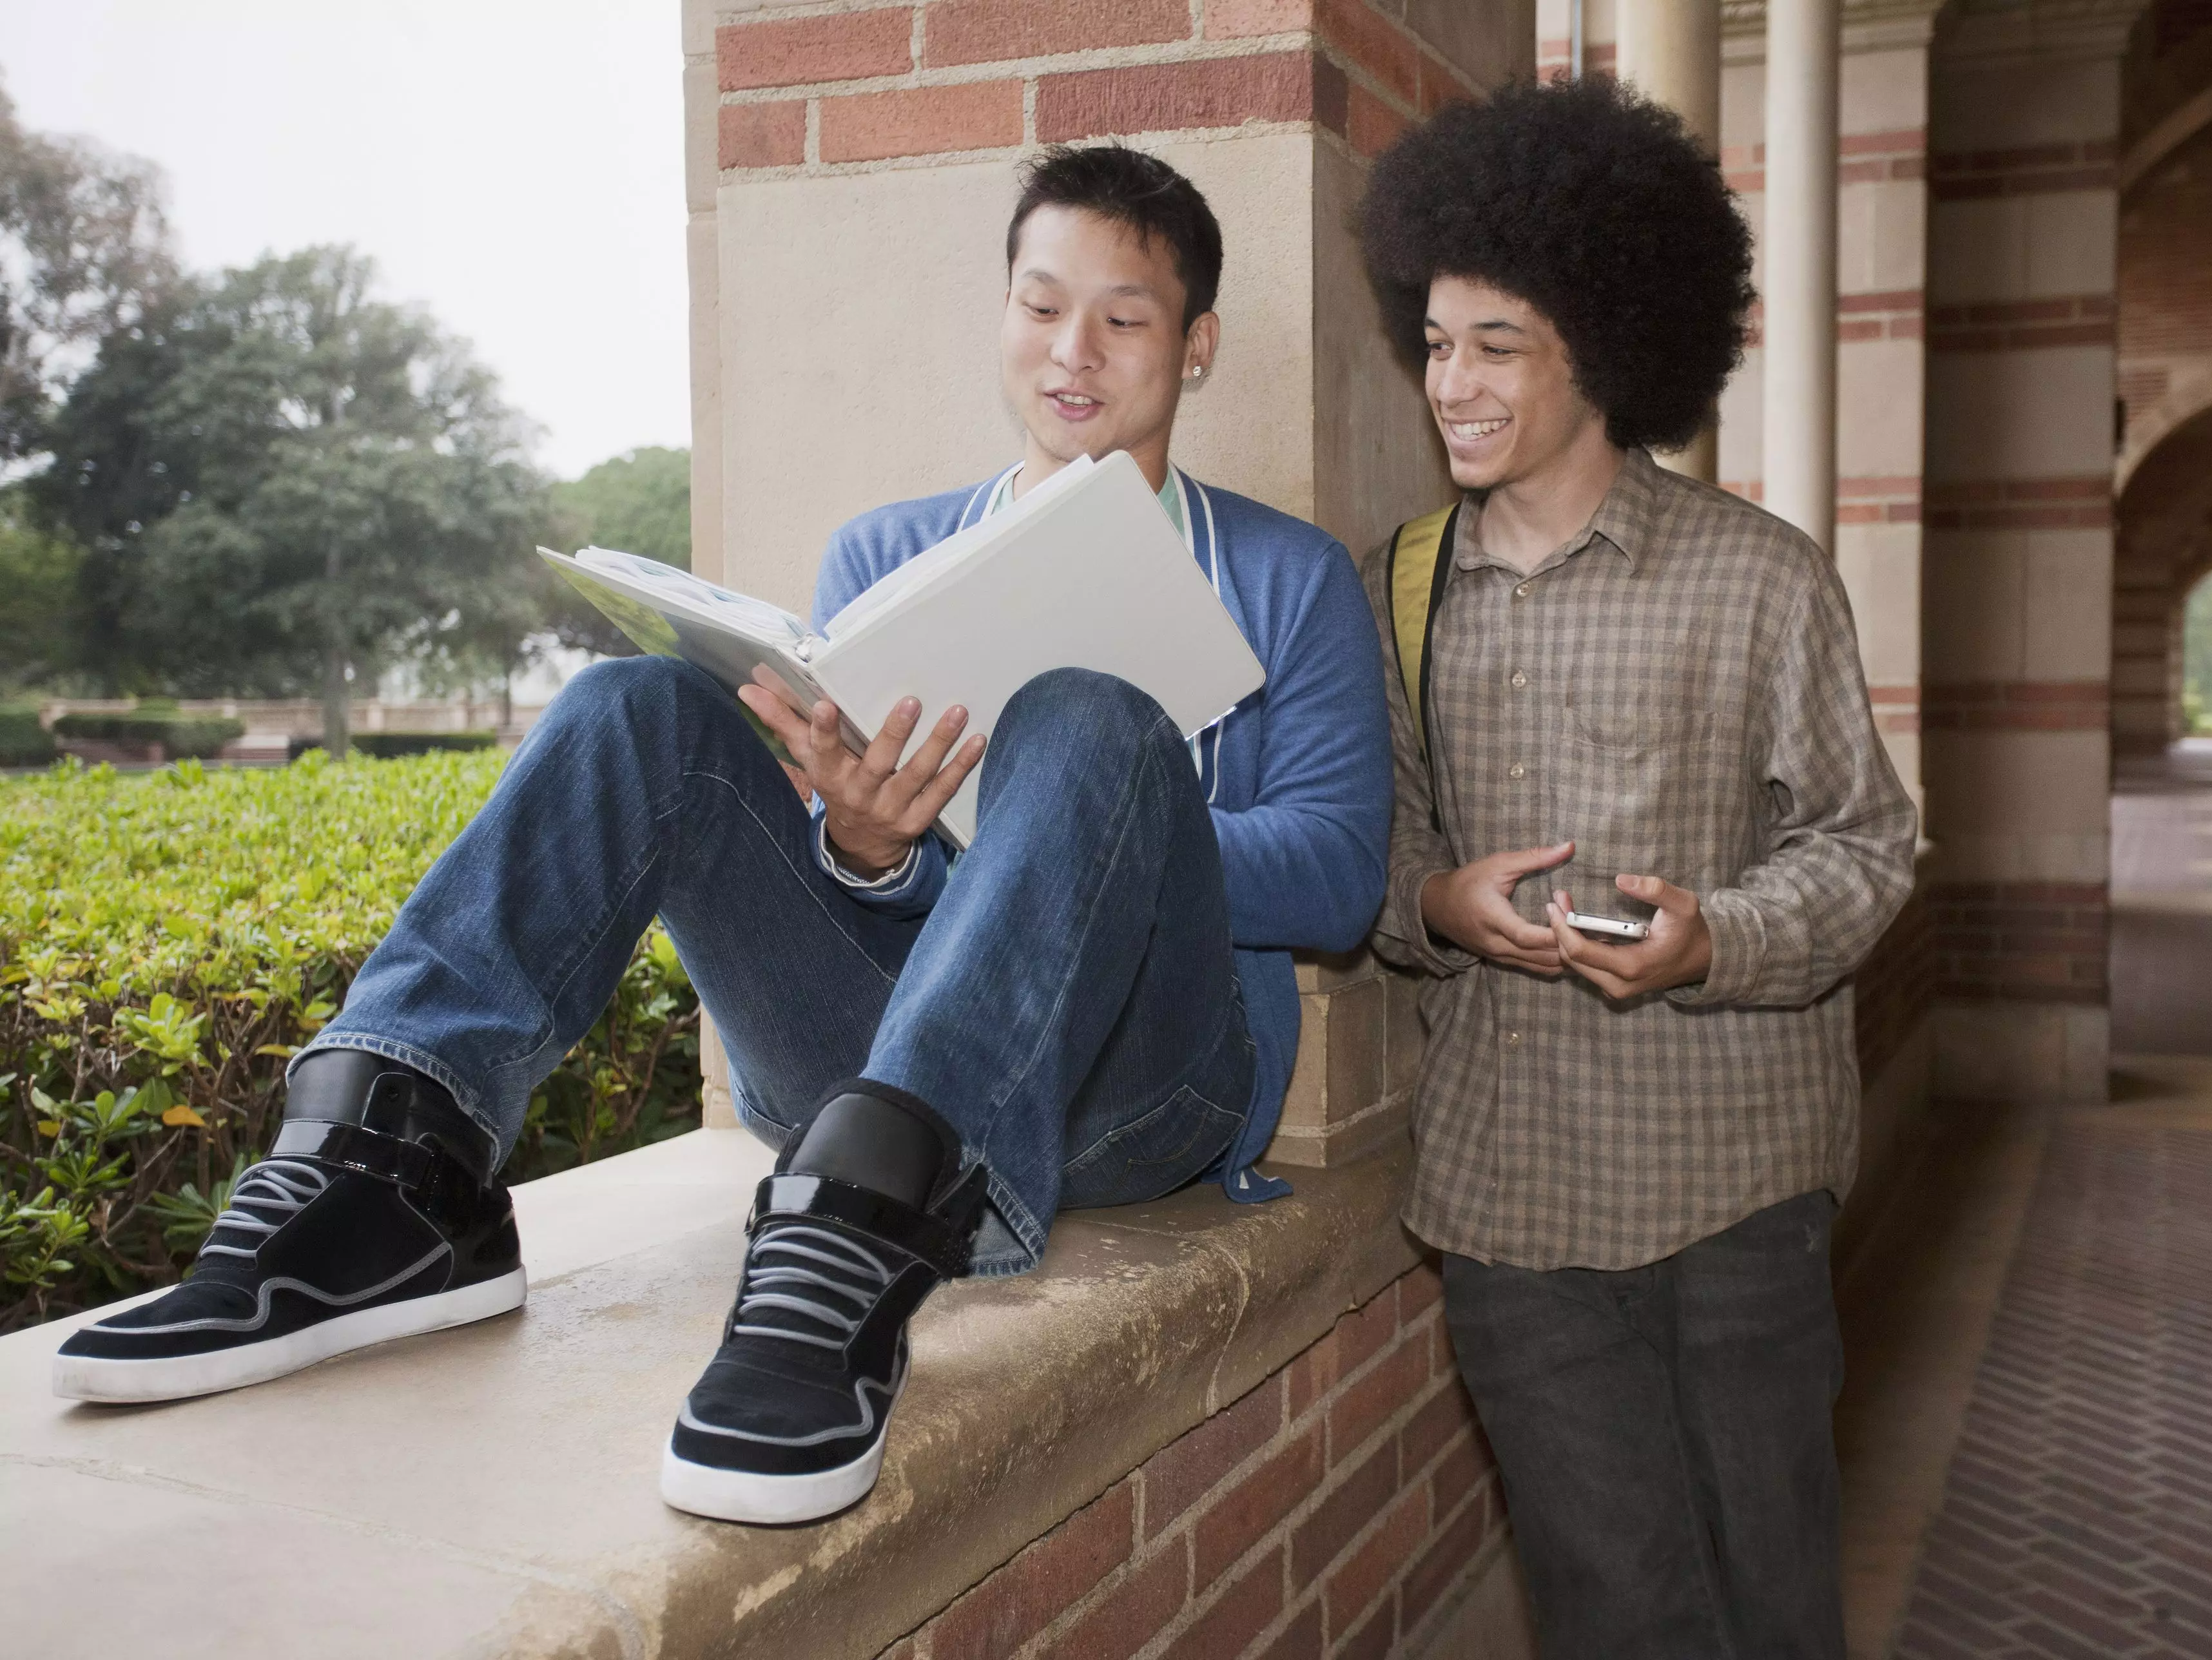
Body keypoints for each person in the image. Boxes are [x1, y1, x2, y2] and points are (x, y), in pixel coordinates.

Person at [53, 144, 1394, 1530]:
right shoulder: (888, 554)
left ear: (1198, 344)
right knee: (639, 705)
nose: (1074, 351)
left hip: (1141, 1088)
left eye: (1122, 317)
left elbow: (1343, 875)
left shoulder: (1289, 579)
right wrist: (874, 848)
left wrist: (1066, 819)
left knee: (1087, 717)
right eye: (1040, 305)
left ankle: (851, 1259)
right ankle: (392, 1168)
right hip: (878, 1078)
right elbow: (861, 871)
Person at [1354, 79, 1917, 1656]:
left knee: (1772, 1599)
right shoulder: (1401, 588)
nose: (1449, 384)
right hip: (1509, 1198)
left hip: (1734, 1190)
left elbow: (1867, 847)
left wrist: (1713, 938)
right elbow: (1386, 836)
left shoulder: (1762, 578)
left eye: (1497, 346)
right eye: (1439, 343)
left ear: (1601, 347)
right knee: (1614, 1610)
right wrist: (1439, 906)